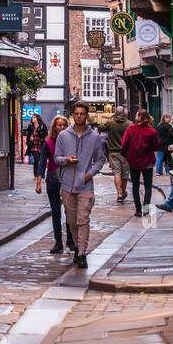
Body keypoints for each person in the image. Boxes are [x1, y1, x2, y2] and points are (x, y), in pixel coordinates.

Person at [54, 103, 107, 268]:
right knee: (72, 221)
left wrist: (89, 173)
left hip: (85, 186)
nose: (79, 116)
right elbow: (56, 158)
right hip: (67, 186)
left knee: (83, 219)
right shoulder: (63, 136)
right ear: (72, 115)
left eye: (82, 114)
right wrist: (66, 160)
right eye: (76, 114)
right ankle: (77, 247)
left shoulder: (94, 137)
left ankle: (82, 253)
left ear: (86, 116)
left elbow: (100, 159)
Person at [34, 115, 76, 254]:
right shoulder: (48, 143)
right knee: (56, 213)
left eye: (64, 125)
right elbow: (41, 162)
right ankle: (58, 243)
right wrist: (38, 182)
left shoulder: (71, 141)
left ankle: (71, 241)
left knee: (69, 212)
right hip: (53, 179)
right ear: (54, 127)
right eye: (59, 125)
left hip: (68, 180)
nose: (62, 127)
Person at [121, 109, 162, 216]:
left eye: (136, 115)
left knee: (135, 186)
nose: (135, 117)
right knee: (148, 186)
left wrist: (126, 155)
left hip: (133, 161)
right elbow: (157, 145)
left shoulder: (131, 130)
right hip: (147, 161)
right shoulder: (151, 131)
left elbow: (124, 144)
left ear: (140, 117)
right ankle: (146, 209)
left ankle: (138, 210)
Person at [105, 106, 130, 203]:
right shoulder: (129, 124)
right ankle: (123, 192)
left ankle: (119, 194)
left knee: (117, 173)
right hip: (125, 153)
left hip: (113, 152)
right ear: (124, 113)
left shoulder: (110, 123)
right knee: (125, 174)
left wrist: (110, 120)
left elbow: (100, 128)